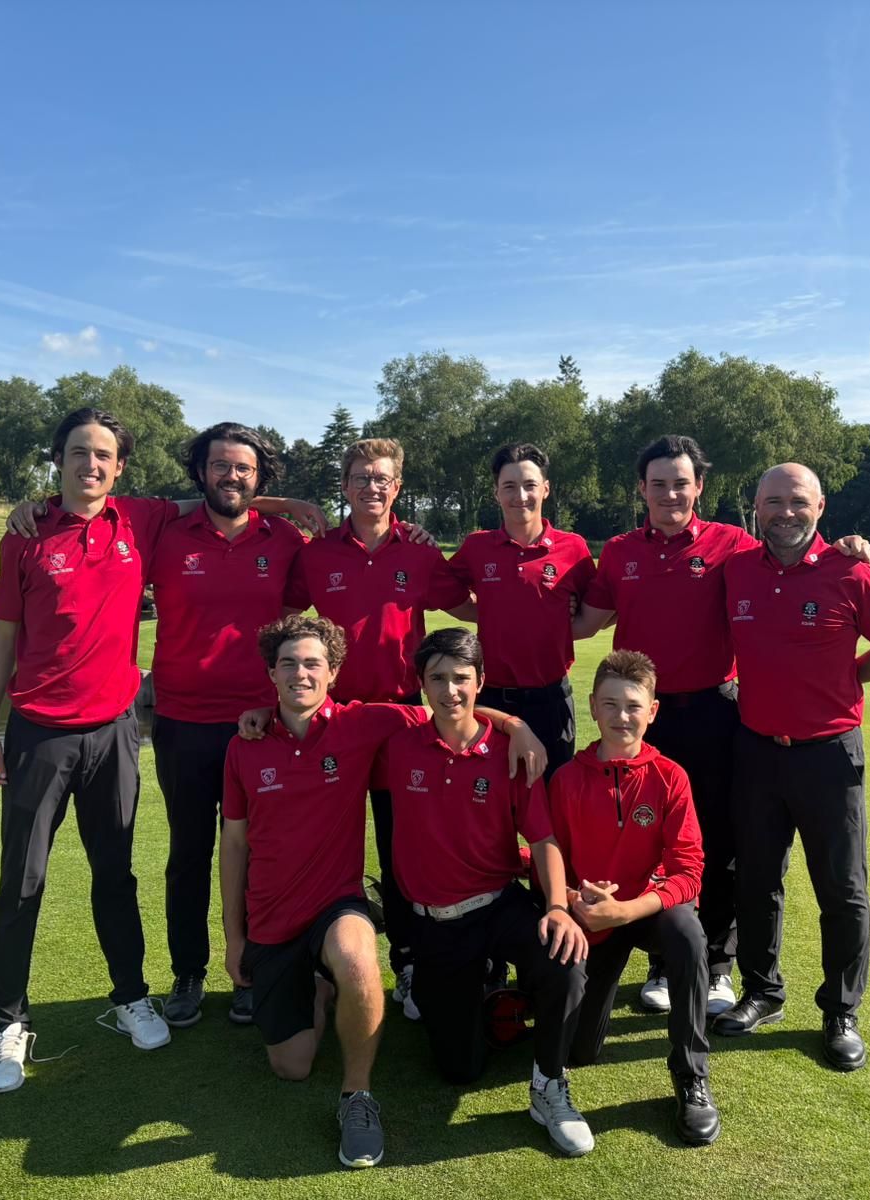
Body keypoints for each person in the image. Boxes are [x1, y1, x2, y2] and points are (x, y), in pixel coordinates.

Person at [3, 423, 325, 1030]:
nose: (232, 477)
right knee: (189, 853)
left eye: (245, 469)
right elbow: (90, 508)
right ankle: (188, 974)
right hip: (181, 718)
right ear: (200, 471)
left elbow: (302, 611)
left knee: (260, 852)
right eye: (220, 466)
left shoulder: (283, 539)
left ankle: (255, 970)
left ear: (260, 477)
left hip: (260, 723)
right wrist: (35, 507)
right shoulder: (165, 533)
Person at [221, 615, 546, 1169]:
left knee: (358, 958)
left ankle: (358, 1096)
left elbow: (451, 707)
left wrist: (517, 724)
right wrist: (234, 939)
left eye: (312, 664)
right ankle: (318, 990)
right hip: (272, 917)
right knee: (292, 1065)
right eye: (288, 664)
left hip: (336, 901)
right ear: (270, 673)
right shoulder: (243, 746)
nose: (301, 674)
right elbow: (233, 848)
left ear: (334, 673)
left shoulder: (363, 723)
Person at [573, 434, 870, 1019]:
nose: (669, 494)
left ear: (699, 487)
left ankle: (718, 965)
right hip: (644, 718)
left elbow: (794, 549)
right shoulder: (618, 552)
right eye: (657, 483)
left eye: (681, 482)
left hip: (717, 711)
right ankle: (664, 958)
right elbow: (585, 619)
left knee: (723, 843)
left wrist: (849, 547)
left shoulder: (732, 545)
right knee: (649, 839)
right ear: (642, 489)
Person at [0, 407, 172, 1093]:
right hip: (38, 733)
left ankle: (129, 996)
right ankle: (8, 1024)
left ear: (119, 468)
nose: (92, 465)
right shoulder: (26, 535)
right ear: (58, 460)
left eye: (104, 456)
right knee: (22, 881)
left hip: (115, 731)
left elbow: (222, 491)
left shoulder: (138, 522)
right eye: (80, 453)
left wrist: (291, 502)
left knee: (115, 873)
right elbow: (3, 636)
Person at [713, 463, 870, 1072]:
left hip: (829, 753)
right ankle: (763, 992)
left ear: (820, 506)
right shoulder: (738, 570)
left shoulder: (852, 571)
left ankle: (840, 1010)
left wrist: (847, 678)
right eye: (772, 502)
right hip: (755, 750)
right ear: (755, 508)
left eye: (796, 501)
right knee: (755, 879)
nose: (784, 512)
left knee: (842, 889)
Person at [384, 627, 595, 1157]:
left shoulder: (510, 753)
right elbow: (324, 716)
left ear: (482, 681)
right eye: (438, 678)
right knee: (459, 1070)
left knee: (564, 960)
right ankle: (488, 994)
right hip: (435, 924)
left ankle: (549, 1085)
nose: (450, 690)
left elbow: (543, 838)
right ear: (421, 684)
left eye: (461, 678)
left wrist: (555, 906)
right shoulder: (396, 738)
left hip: (499, 904)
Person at [285, 437, 471, 1021]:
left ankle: (408, 962)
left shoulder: (418, 552)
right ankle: (317, 964)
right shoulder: (316, 555)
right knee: (324, 847)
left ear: (397, 487)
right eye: (361, 477)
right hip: (330, 722)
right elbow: (285, 623)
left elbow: (465, 602)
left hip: (398, 722)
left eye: (382, 478)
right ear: (345, 486)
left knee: (401, 848)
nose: (372, 486)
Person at [551, 650, 720, 1146]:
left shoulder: (671, 777)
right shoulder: (566, 779)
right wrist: (572, 897)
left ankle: (690, 1076)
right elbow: (545, 860)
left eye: (632, 706)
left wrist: (629, 907)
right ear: (592, 707)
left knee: (688, 933)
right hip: (590, 917)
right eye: (609, 704)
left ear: (652, 711)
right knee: (581, 1053)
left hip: (645, 910)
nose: (621, 717)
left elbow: (690, 871)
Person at [447, 444, 594, 781]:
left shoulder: (574, 547)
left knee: (552, 807)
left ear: (545, 488)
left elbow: (607, 603)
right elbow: (442, 590)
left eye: (529, 485)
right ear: (496, 492)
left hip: (552, 700)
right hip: (492, 700)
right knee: (490, 808)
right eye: (509, 487)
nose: (521, 496)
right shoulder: (477, 547)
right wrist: (484, 612)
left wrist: (570, 615)